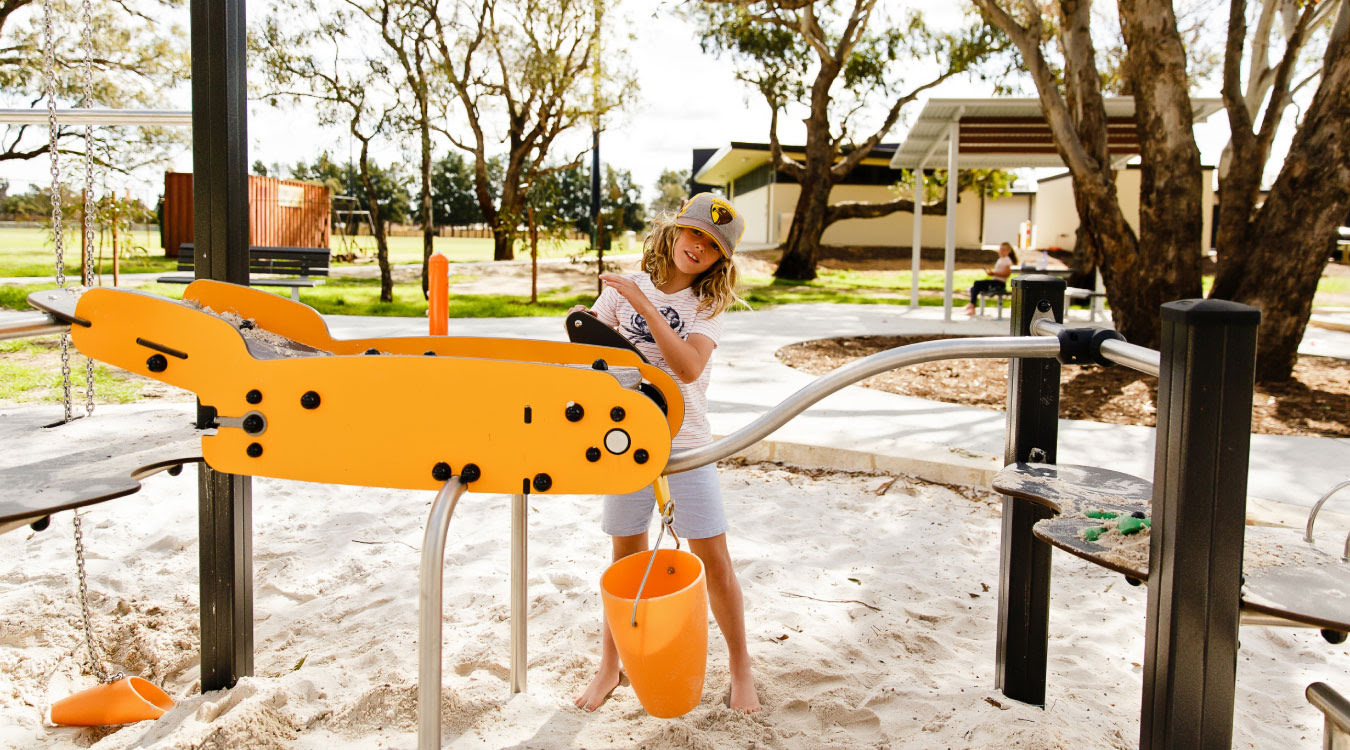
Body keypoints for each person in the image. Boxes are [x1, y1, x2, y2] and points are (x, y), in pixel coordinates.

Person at [570, 193, 761, 714]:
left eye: (712, 244)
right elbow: (589, 356)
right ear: (674, 232)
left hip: (686, 445)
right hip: (625, 440)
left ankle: (742, 669)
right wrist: (587, 325)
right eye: (693, 233)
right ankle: (610, 666)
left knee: (714, 563)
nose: (698, 247)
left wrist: (644, 304)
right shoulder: (625, 286)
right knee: (625, 557)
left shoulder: (706, 304)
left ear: (722, 258)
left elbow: (689, 367)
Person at [963, 241, 1018, 316]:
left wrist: (993, 273)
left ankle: (972, 305)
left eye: (1003, 249)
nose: (1001, 251)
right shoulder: (1001, 259)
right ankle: (972, 306)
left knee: (977, 284)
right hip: (995, 281)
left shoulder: (1007, 260)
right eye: (1000, 249)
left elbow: (1006, 274)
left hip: (999, 284)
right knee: (974, 288)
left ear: (1009, 251)